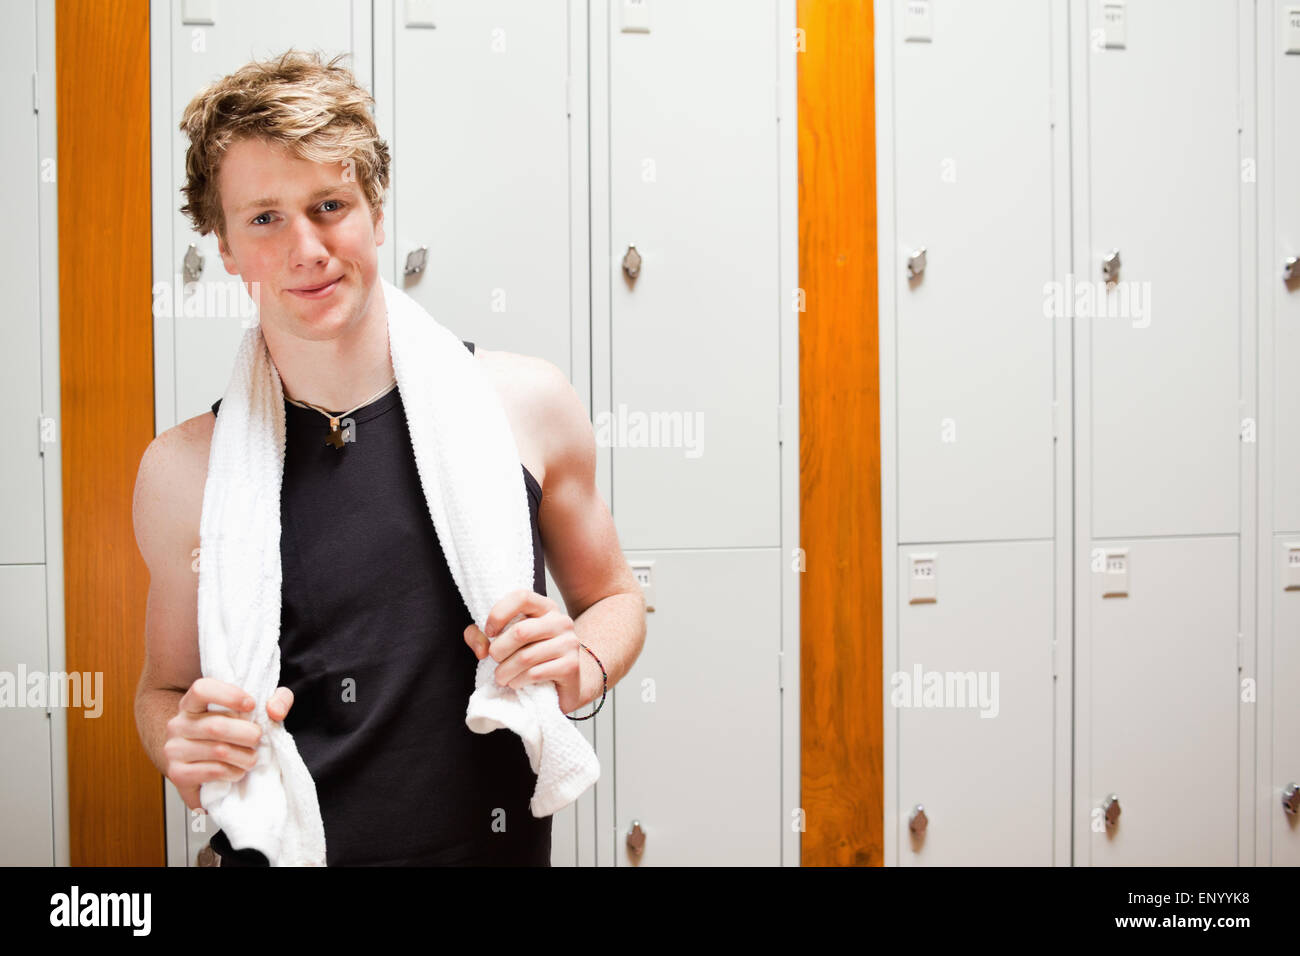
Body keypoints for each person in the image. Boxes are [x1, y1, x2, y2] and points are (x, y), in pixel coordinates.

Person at [131, 49, 646, 866]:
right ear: (224, 248)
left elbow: (615, 599)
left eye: (329, 205)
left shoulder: (526, 404)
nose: (306, 249)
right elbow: (162, 691)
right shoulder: (181, 471)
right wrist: (178, 742)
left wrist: (581, 659)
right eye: (263, 218)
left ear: (374, 208)